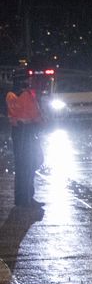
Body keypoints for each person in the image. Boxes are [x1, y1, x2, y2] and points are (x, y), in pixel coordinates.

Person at [5, 74, 43, 208]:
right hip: (28, 133)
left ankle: (22, 198)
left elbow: (12, 115)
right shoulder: (26, 95)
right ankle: (27, 197)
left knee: (21, 166)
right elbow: (35, 115)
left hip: (17, 132)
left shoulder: (10, 95)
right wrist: (40, 122)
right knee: (29, 165)